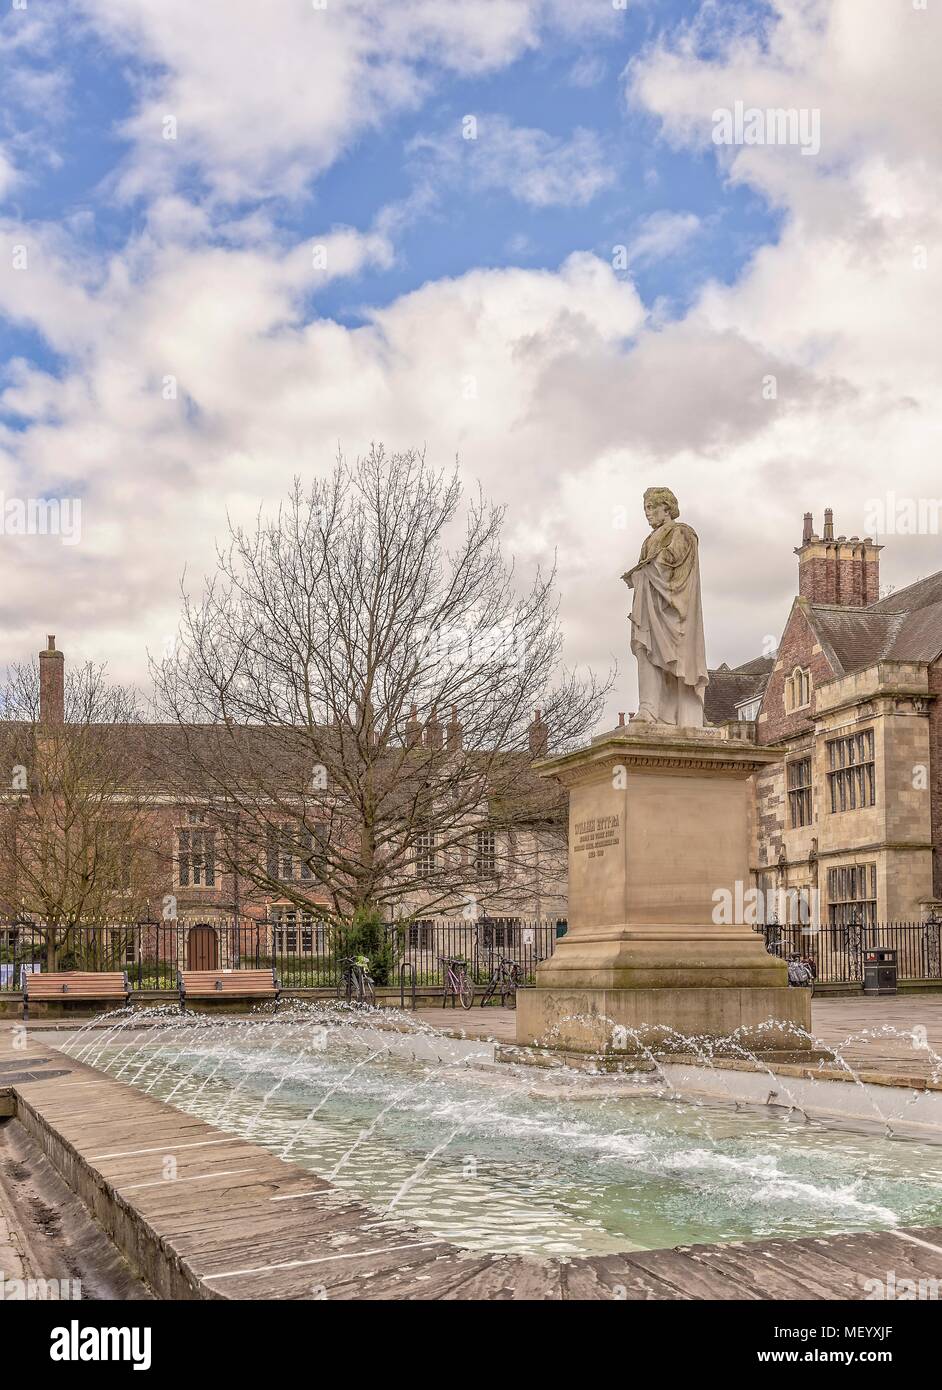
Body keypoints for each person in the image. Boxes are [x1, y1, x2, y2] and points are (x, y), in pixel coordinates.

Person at [622, 487, 709, 726]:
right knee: (644, 652)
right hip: (648, 605)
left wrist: (643, 571)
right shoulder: (649, 539)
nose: (647, 514)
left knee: (673, 658)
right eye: (645, 509)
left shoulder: (682, 532)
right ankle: (649, 708)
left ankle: (672, 712)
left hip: (671, 610)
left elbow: (673, 562)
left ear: (667, 508)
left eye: (651, 508)